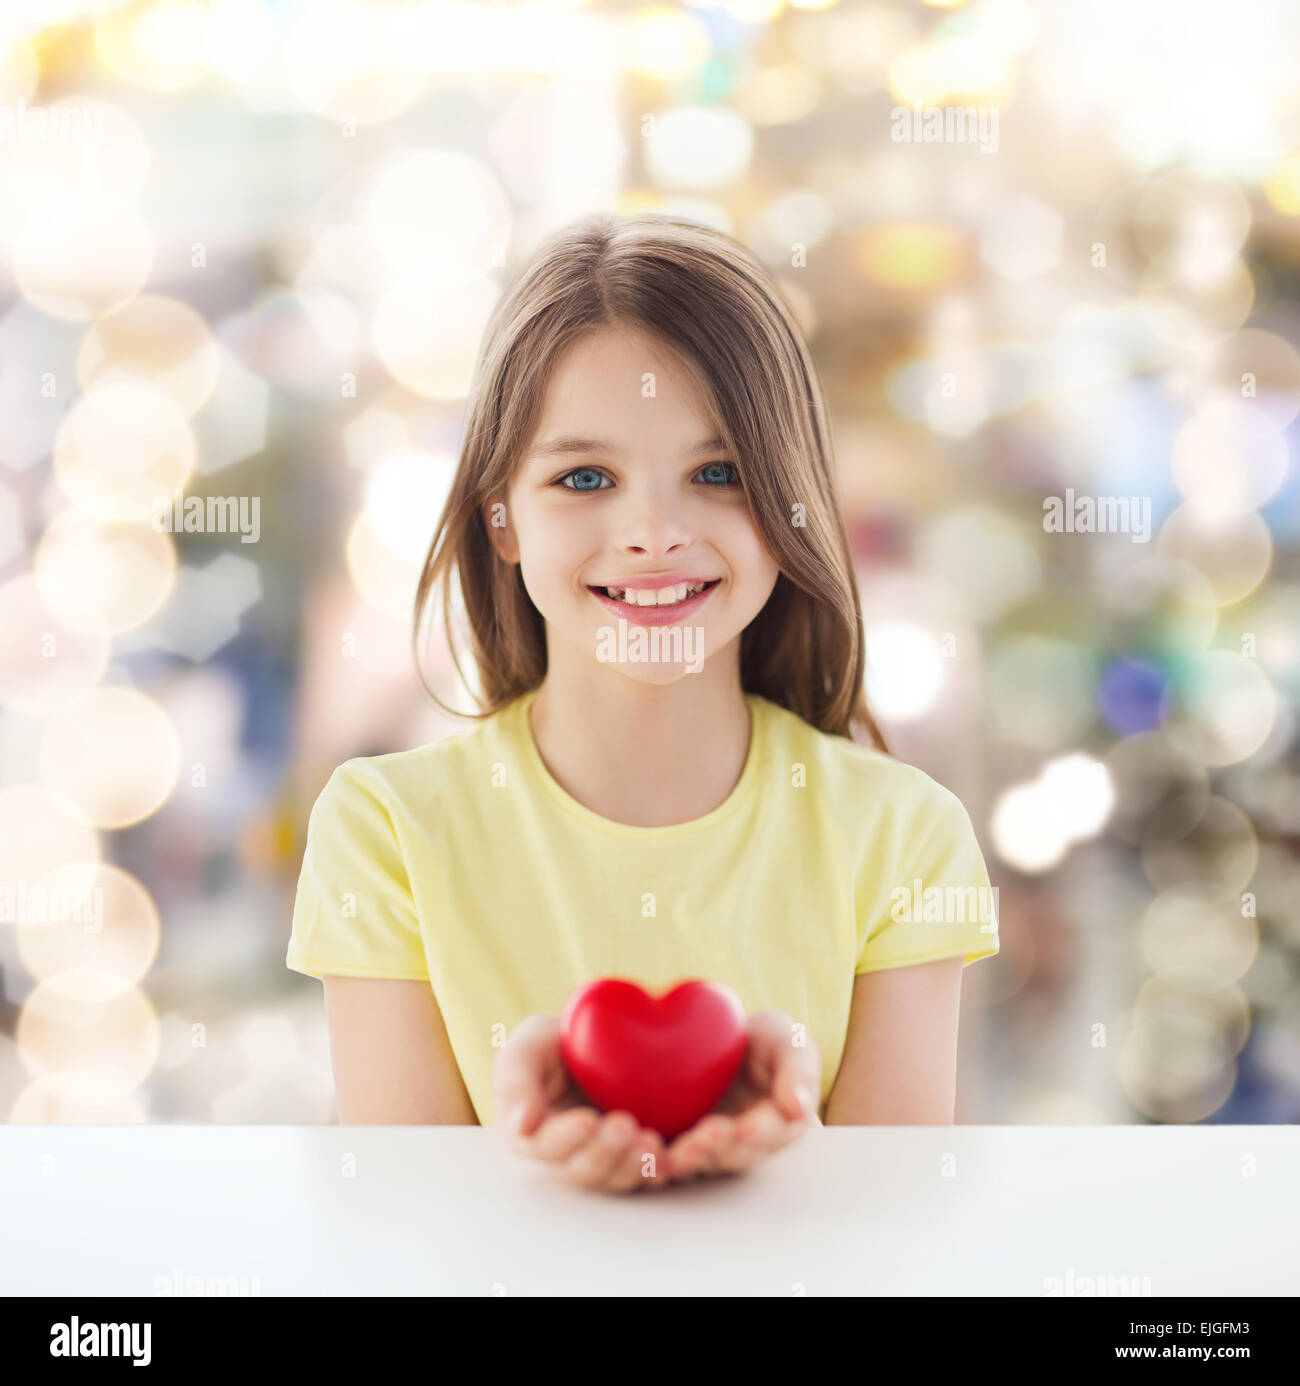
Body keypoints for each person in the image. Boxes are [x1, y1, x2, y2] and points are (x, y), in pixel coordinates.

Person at [286, 213, 999, 1194]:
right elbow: (405, 1239)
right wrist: (534, 1152)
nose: (653, 533)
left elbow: (898, 1239)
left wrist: (785, 1156)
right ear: (502, 517)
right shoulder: (386, 832)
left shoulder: (903, 836)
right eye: (585, 477)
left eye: (719, 474)